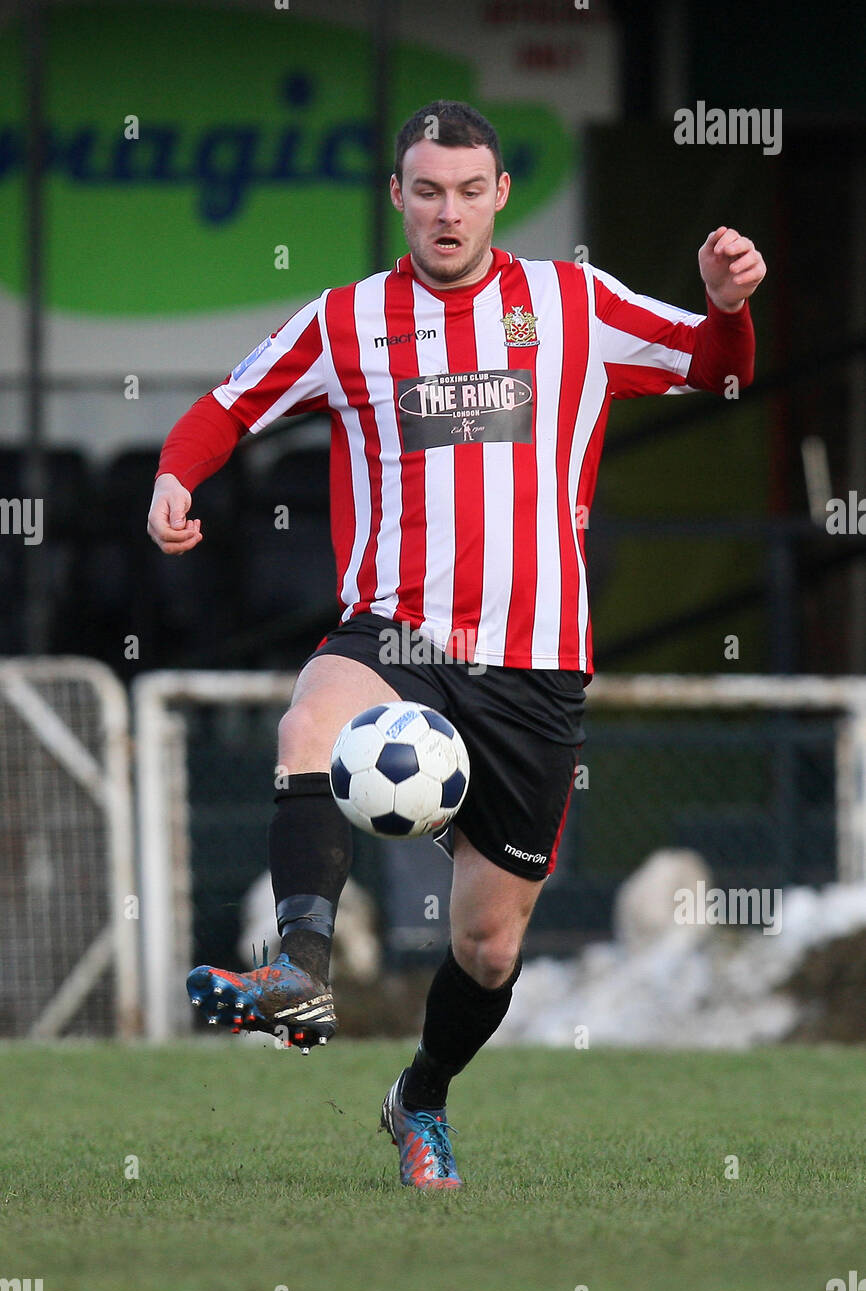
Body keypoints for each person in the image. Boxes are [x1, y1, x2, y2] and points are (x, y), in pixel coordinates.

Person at [147, 99, 765, 1190]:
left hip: (534, 659)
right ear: (397, 195)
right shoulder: (348, 320)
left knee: (487, 948)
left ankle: (420, 1099)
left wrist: (726, 307)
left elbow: (717, 372)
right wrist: (172, 477)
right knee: (309, 720)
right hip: (397, 629)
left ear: (499, 196)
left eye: (469, 191)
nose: (448, 212)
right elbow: (229, 406)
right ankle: (300, 972)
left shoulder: (571, 303)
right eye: (427, 190)